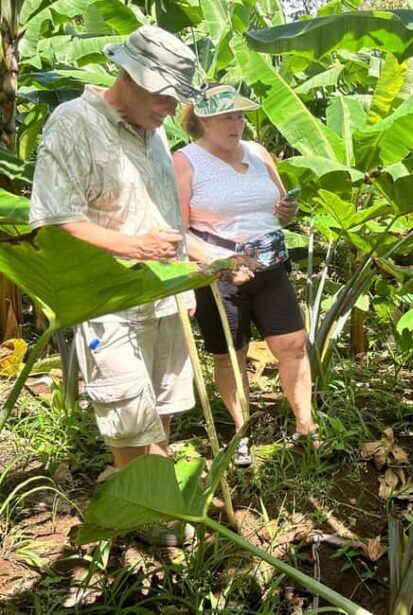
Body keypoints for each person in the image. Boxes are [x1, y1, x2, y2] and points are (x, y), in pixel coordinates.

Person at [28, 26, 206, 545]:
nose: (170, 109)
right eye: (162, 95)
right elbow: (53, 220)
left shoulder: (155, 134)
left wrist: (184, 281)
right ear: (129, 75)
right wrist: (129, 247)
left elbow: (166, 216)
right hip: (108, 301)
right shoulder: (74, 123)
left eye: (175, 99)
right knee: (129, 412)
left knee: (166, 405)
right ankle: (149, 515)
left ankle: (154, 497)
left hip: (162, 295)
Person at [172, 84, 319, 467]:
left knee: (292, 345)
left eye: (239, 115)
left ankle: (306, 425)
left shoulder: (258, 152)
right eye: (227, 117)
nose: (236, 123)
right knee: (230, 356)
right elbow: (177, 229)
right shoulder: (186, 162)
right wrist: (219, 262)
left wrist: (287, 212)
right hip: (219, 274)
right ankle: (242, 431)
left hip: (270, 265)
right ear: (203, 120)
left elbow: (280, 205)